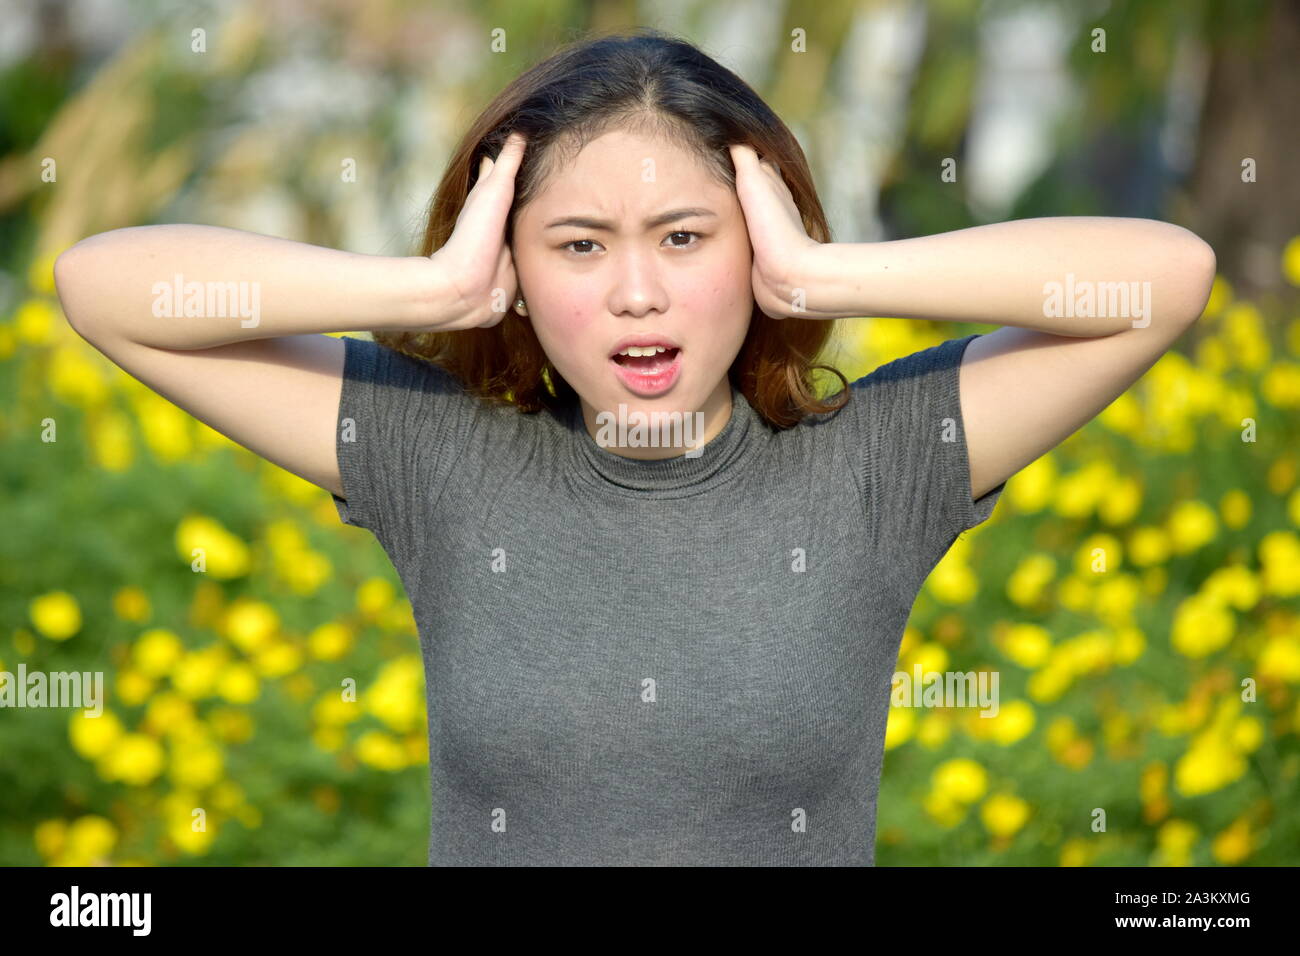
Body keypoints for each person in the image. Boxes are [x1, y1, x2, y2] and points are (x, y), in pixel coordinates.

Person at [53, 28, 1216, 866]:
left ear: (750, 247)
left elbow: (1162, 281)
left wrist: (830, 273)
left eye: (683, 235)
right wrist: (426, 285)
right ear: (514, 269)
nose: (638, 293)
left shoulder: (876, 465)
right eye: (578, 245)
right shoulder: (441, 457)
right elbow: (101, 287)